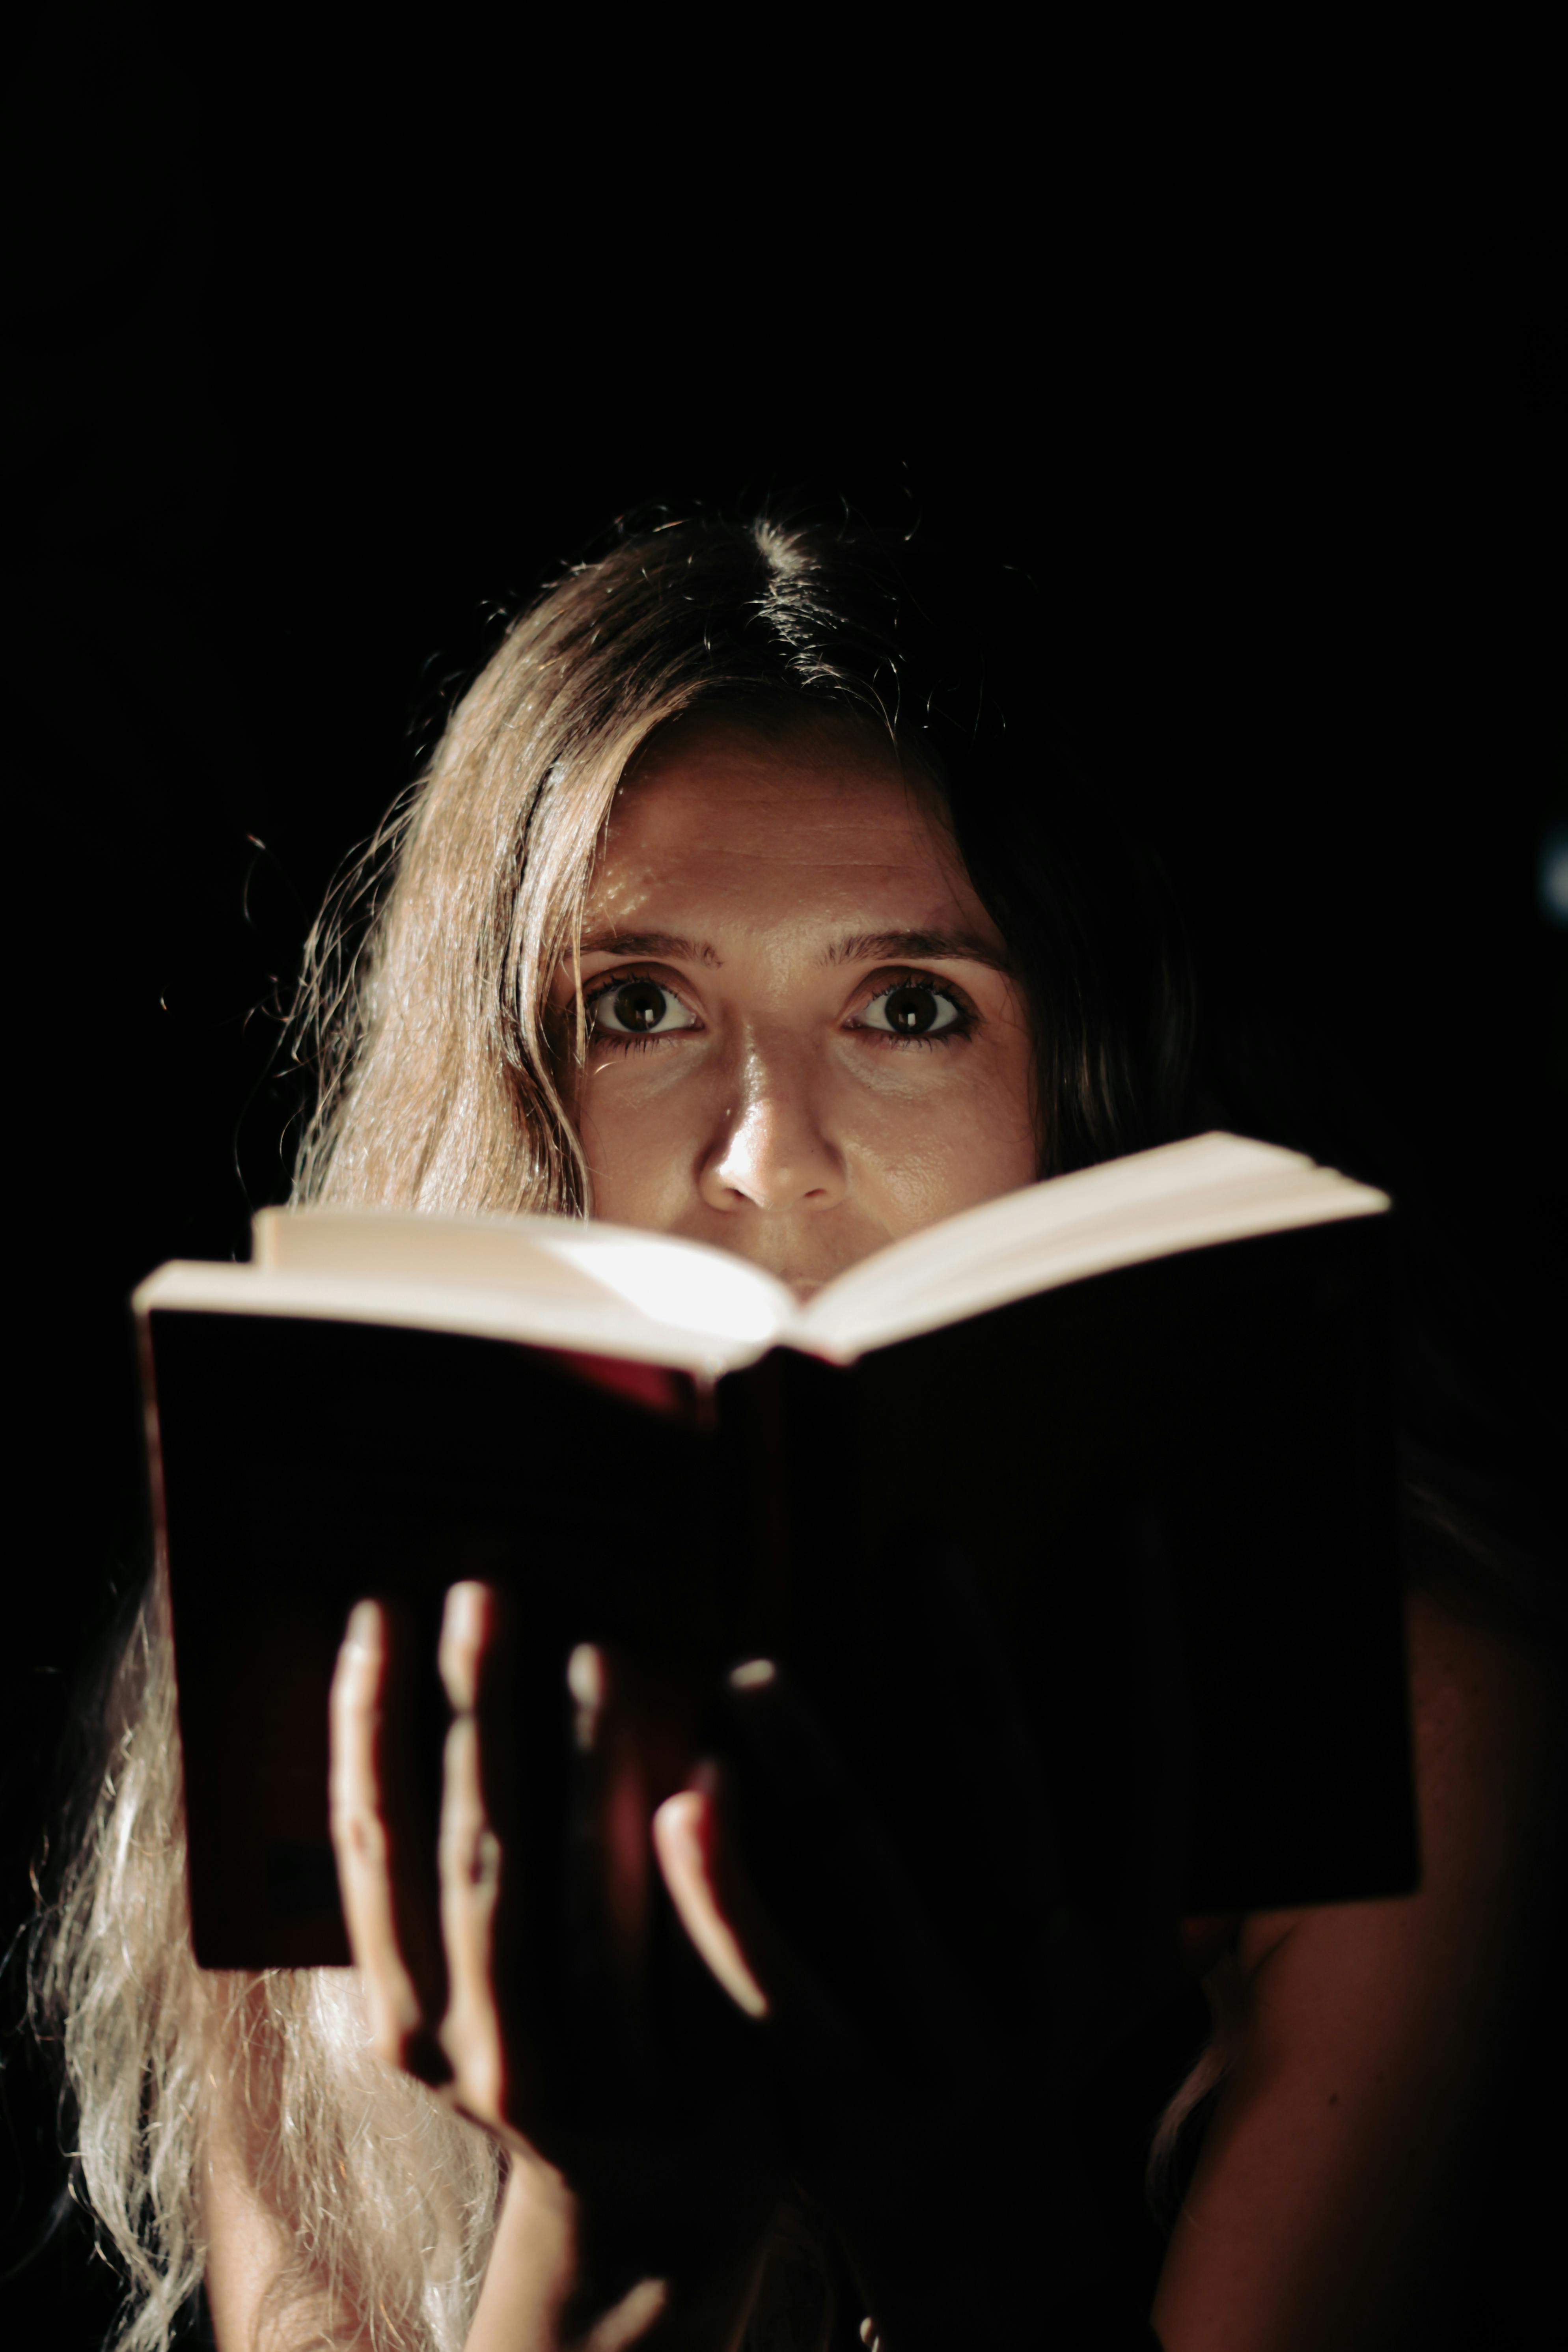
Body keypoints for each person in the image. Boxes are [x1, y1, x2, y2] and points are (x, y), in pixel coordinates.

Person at [24, 503, 1565, 2351]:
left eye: (908, 1006)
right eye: (640, 1004)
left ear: (1084, 1083)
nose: (764, 1155)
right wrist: (600, 2230)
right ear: (504, 1090)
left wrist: (961, 2207)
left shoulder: (1409, 1709)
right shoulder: (296, 1668)